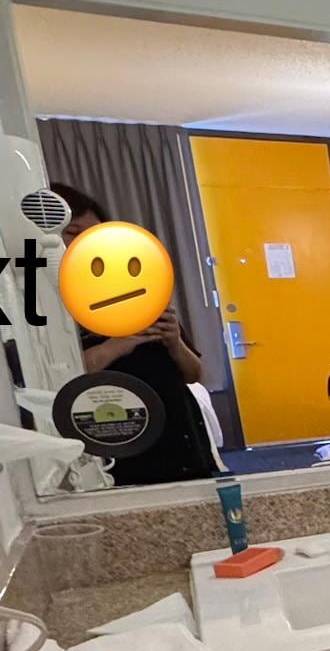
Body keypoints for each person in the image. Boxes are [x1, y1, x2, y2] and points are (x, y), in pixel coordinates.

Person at [53, 182, 220, 485]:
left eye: (94, 236)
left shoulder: (142, 297)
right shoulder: (53, 308)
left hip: (182, 439)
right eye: (74, 233)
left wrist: (175, 343)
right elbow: (61, 381)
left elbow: (194, 374)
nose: (85, 246)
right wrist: (119, 344)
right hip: (119, 443)